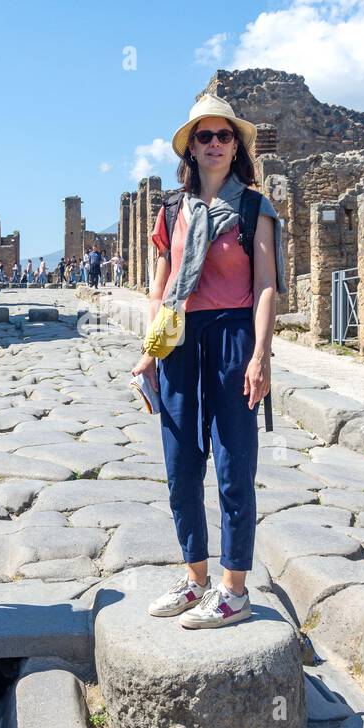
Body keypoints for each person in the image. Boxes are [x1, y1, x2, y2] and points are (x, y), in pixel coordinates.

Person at [130, 95, 285, 629]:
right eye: (205, 136)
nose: (215, 144)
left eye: (224, 136)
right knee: (179, 465)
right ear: (190, 148)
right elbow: (159, 287)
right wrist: (149, 354)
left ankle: (234, 588)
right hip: (177, 339)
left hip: (233, 337)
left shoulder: (253, 209)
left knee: (234, 463)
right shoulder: (171, 210)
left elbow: (265, 287)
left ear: (235, 145)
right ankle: (195, 578)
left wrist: (261, 353)